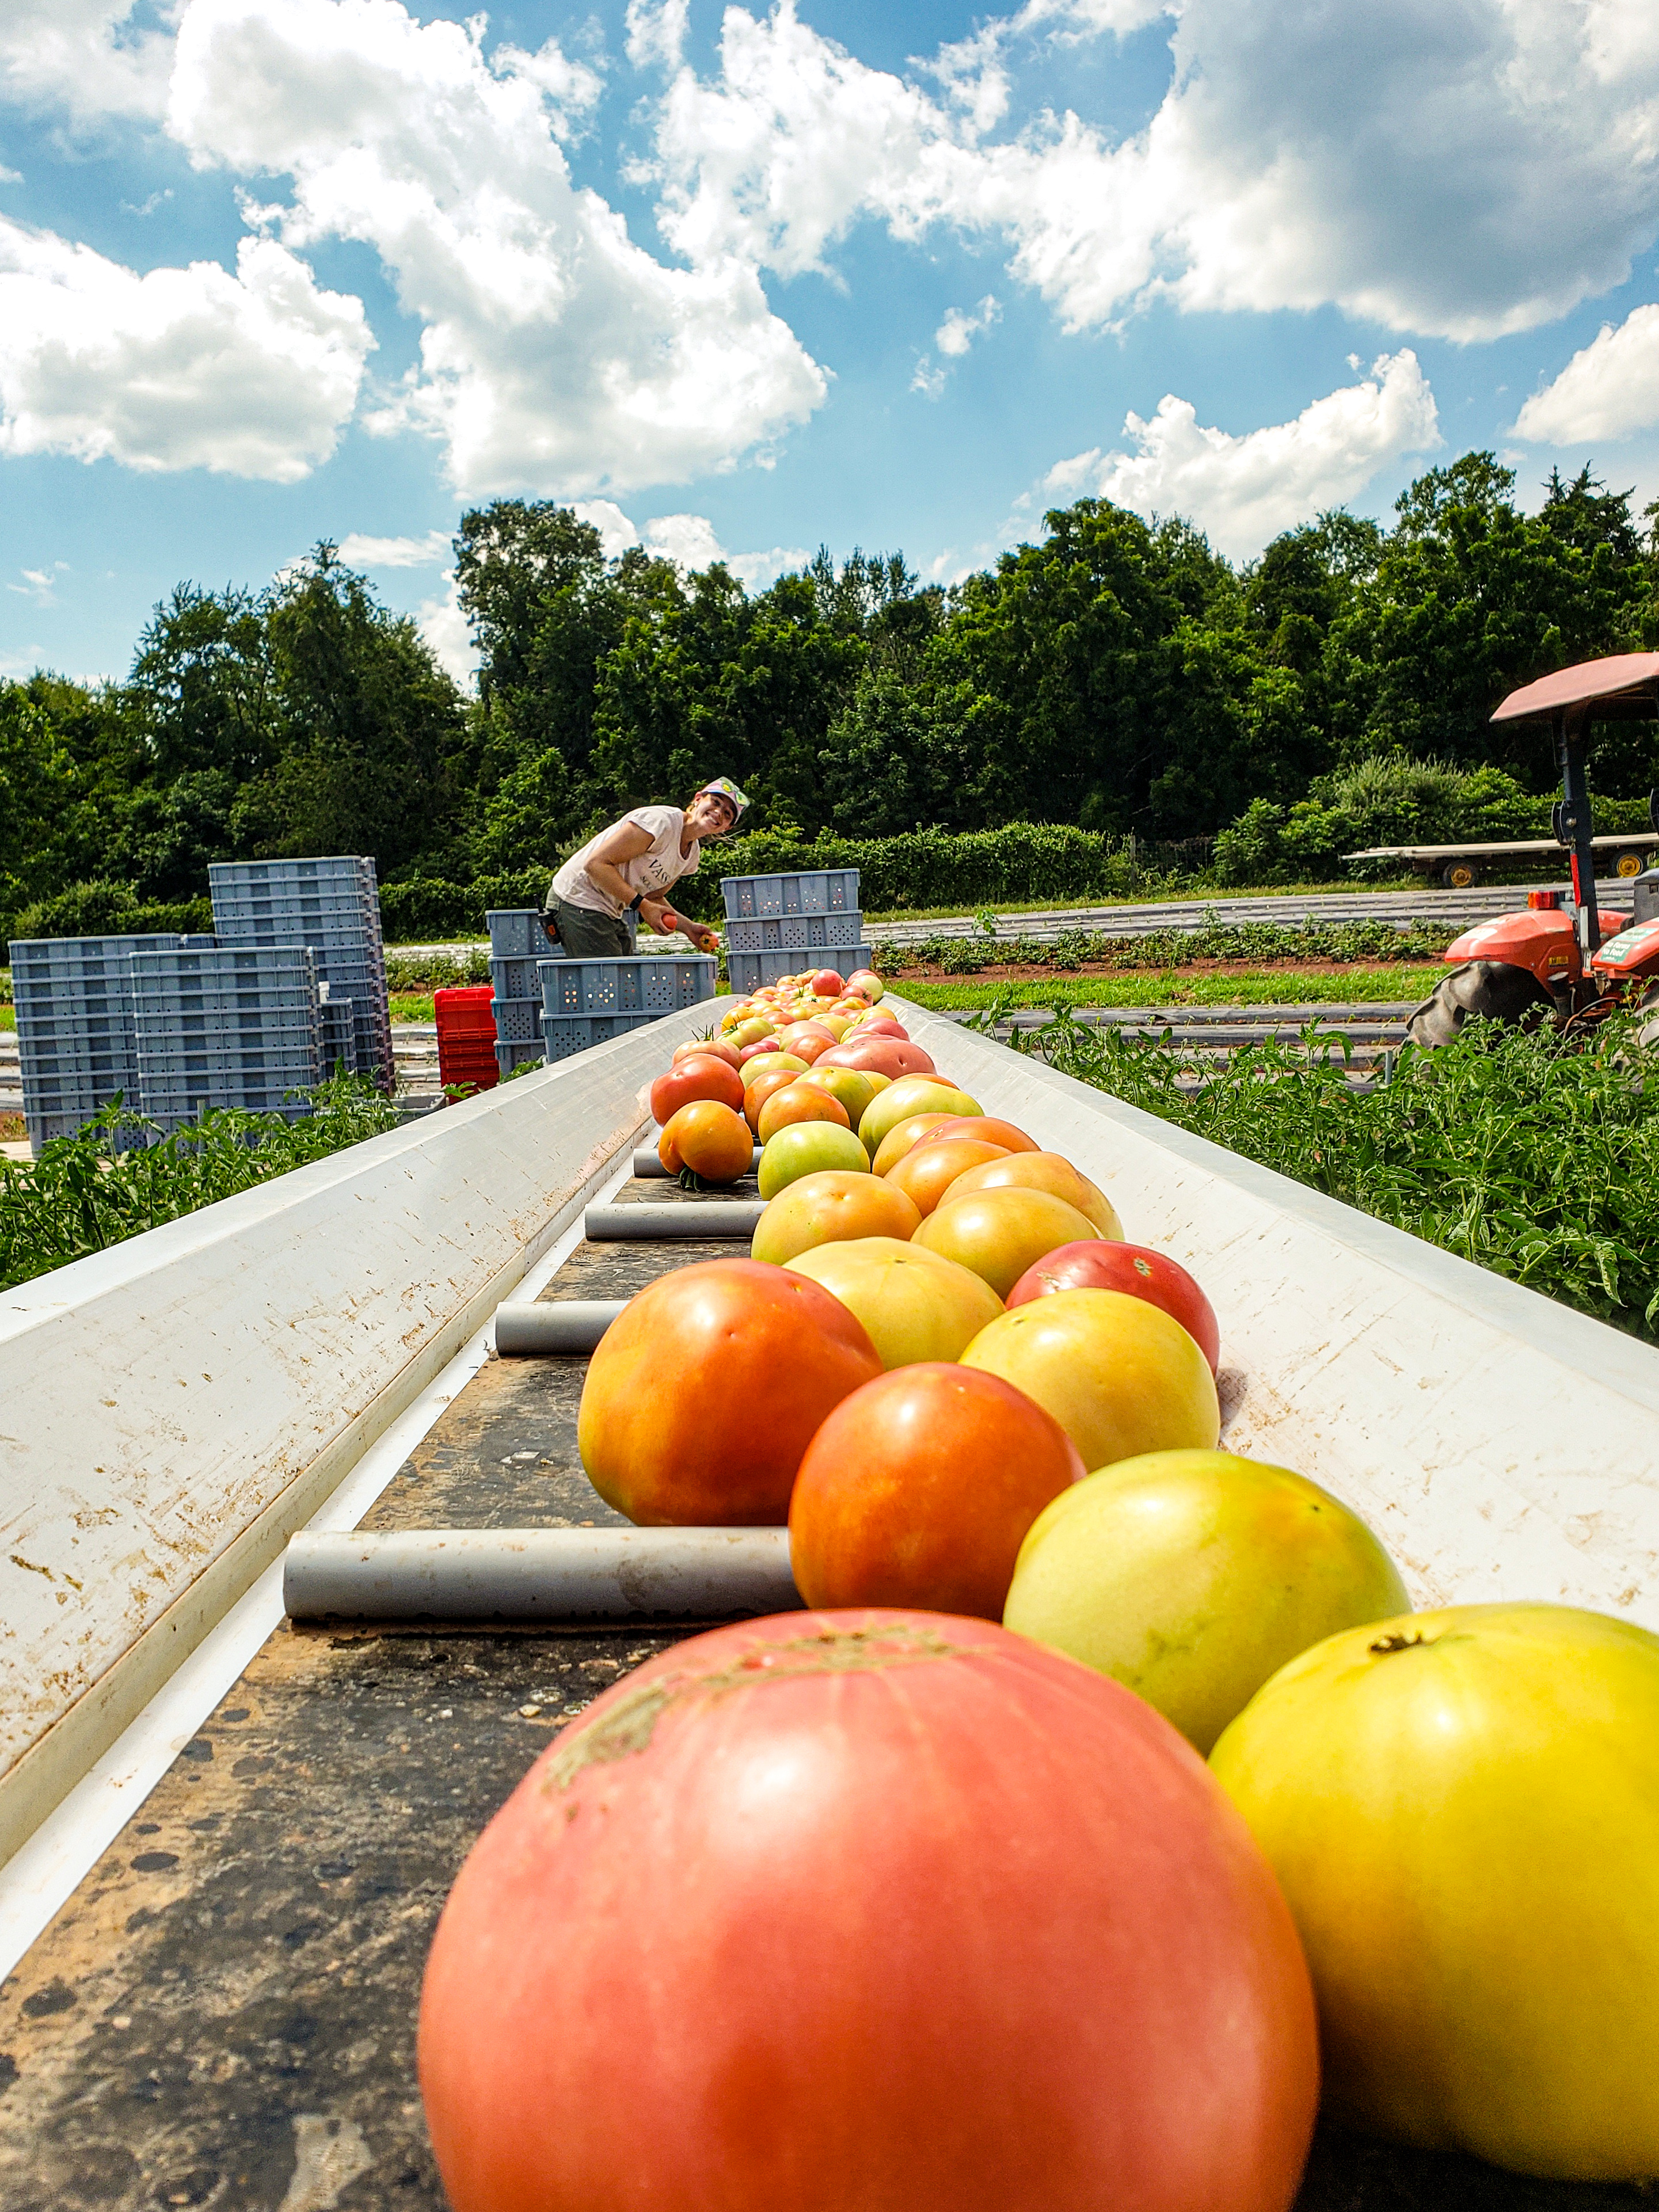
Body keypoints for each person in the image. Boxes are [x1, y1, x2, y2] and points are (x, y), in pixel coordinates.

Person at [544, 779, 747, 958]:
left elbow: (652, 896)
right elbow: (595, 864)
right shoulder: (661, 822)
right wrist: (643, 907)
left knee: (626, 982)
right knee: (609, 985)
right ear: (698, 799)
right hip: (576, 898)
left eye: (727, 814)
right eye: (716, 802)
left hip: (607, 909)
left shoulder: (691, 856)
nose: (718, 812)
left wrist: (688, 928)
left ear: (726, 827)